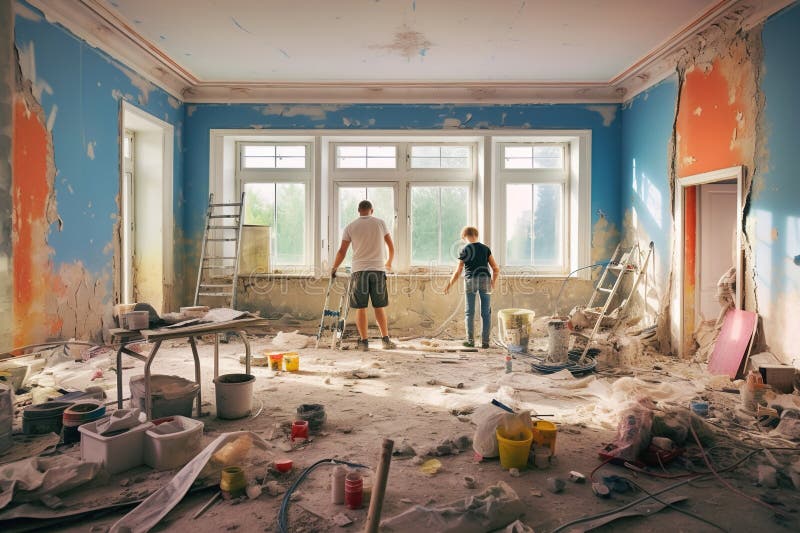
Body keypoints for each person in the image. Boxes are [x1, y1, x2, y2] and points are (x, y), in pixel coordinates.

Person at [331, 200, 396, 351]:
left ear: (358, 210)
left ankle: (364, 342)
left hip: (359, 271)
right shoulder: (380, 223)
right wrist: (389, 262)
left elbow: (342, 251)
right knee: (379, 306)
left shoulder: (350, 226)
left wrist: (334, 268)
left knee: (361, 308)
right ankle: (385, 340)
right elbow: (391, 246)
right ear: (371, 210)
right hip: (378, 270)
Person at [444, 226, 500, 348]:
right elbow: (496, 268)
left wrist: (449, 284)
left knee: (469, 312)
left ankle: (470, 341)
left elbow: (458, 271)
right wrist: (493, 282)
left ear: (464, 236)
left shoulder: (464, 249)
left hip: (470, 281)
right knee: (486, 313)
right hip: (485, 280)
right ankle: (485, 342)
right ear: (476, 235)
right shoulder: (486, 249)